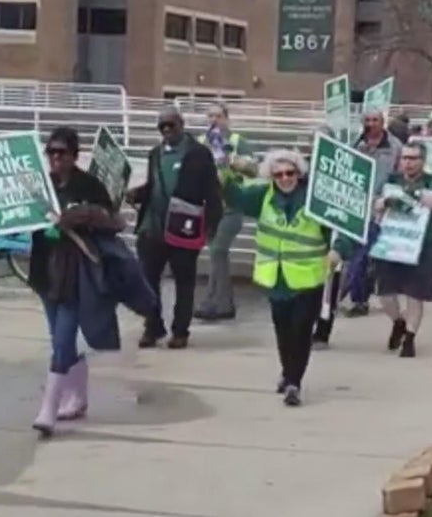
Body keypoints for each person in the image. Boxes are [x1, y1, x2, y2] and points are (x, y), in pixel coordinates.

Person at [224, 149, 344, 406]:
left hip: (309, 278)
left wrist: (338, 250)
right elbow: (233, 196)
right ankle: (287, 370)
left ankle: (293, 382)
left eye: (290, 173)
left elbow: (343, 225)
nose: (284, 178)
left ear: (299, 174)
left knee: (301, 332)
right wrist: (226, 168)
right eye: (278, 174)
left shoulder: (316, 199)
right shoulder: (262, 196)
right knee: (283, 331)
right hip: (275, 277)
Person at [27, 127, 116, 436]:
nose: (55, 157)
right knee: (57, 337)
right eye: (50, 151)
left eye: (61, 152)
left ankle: (48, 408)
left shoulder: (89, 185)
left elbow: (115, 220)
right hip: (44, 272)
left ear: (75, 155)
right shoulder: (40, 184)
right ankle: (77, 397)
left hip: (75, 273)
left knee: (63, 339)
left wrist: (85, 214)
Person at [129, 107, 223, 349]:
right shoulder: (154, 154)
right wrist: (137, 194)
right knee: (147, 281)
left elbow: (213, 190)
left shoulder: (199, 154)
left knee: (184, 281)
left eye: (171, 124)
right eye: (163, 126)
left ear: (181, 124)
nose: (167, 130)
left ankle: (180, 331)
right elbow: (154, 185)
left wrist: (211, 225)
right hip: (152, 227)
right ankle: (153, 326)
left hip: (184, 228)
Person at [361, 142, 432, 357]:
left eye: (413, 158)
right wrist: (384, 201)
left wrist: (411, 195)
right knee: (385, 293)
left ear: (422, 161)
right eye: (405, 158)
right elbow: (376, 202)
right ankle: (398, 321)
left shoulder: (431, 180)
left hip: (422, 244)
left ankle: (410, 338)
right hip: (391, 242)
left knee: (414, 294)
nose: (408, 163)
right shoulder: (391, 179)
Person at [195, 103, 256, 322]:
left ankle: (215, 302)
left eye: (218, 116)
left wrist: (232, 160)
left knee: (218, 250)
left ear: (227, 119)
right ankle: (224, 302)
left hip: (231, 206)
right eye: (210, 116)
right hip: (209, 207)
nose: (214, 120)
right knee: (216, 253)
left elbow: (254, 168)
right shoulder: (201, 143)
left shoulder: (238, 141)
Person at [342, 109, 403, 318]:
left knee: (364, 255)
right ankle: (357, 298)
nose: (371, 124)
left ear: (382, 122)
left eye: (375, 120)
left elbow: (400, 174)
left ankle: (357, 297)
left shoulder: (394, 146)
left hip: (380, 207)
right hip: (356, 204)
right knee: (356, 255)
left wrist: (389, 198)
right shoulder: (356, 143)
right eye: (367, 120)